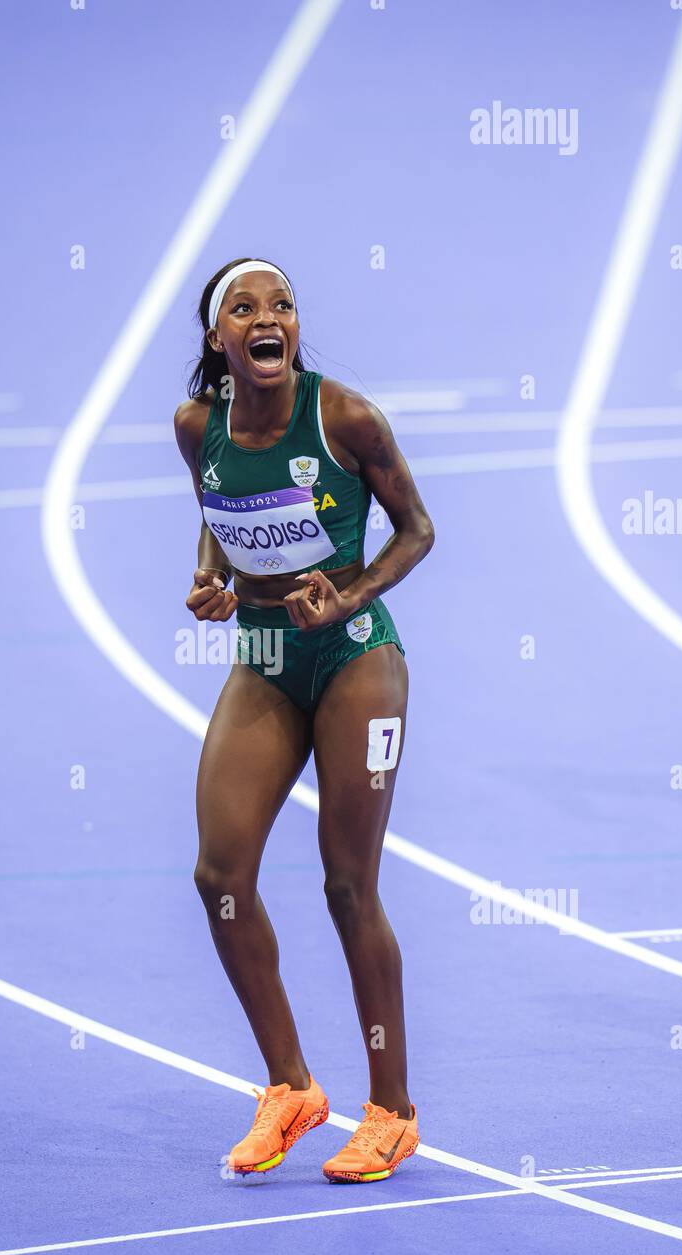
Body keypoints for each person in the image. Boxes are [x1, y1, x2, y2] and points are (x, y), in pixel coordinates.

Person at [173, 258, 435, 1182]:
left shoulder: (345, 418)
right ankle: (290, 1090)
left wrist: (349, 592)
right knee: (220, 874)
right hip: (266, 659)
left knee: (345, 886)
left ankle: (391, 1111)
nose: (267, 317)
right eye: (243, 308)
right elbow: (216, 509)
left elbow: (416, 530)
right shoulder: (195, 425)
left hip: (356, 656)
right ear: (219, 340)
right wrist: (213, 581)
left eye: (280, 304)